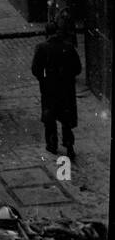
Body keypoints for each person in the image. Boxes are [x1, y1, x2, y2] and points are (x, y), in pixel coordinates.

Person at [31, 22, 81, 159]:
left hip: (49, 89)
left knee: (50, 117)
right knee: (66, 118)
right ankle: (69, 145)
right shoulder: (69, 47)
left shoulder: (41, 48)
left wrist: (44, 79)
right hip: (66, 89)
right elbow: (78, 68)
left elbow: (35, 70)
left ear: (46, 33)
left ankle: (52, 144)